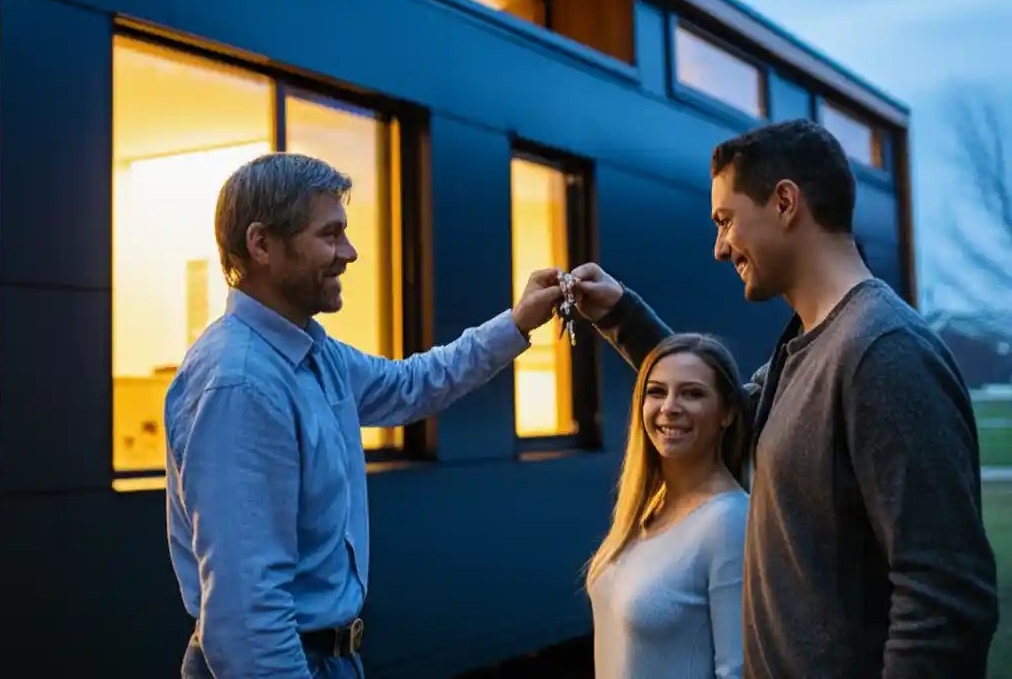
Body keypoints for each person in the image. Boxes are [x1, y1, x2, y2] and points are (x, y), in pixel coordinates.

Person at [570, 118, 999, 677]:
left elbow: (944, 598)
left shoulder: (883, 352)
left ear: (785, 203)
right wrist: (621, 315)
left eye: (725, 221)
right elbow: (721, 409)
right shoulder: (804, 349)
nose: (720, 248)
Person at [165, 152, 569, 678]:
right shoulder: (240, 384)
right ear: (261, 244)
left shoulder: (313, 353)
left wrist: (517, 322)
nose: (349, 253)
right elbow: (245, 617)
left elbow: (412, 384)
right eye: (330, 235)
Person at [586, 333, 751, 679]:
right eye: (657, 391)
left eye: (692, 393)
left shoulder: (730, 520)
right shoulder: (648, 509)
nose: (669, 407)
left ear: (727, 412)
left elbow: (736, 670)